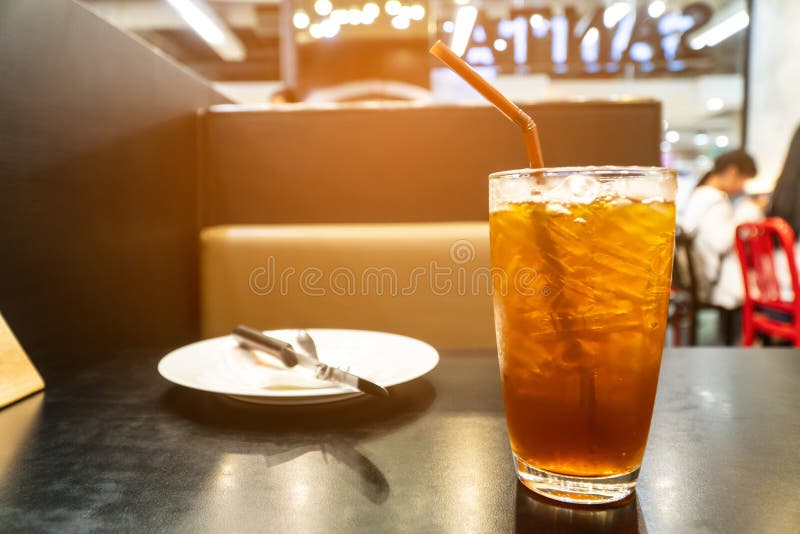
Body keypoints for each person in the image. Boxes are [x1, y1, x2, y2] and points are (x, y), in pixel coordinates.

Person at [681, 150, 759, 311]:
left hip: (694, 279)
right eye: (743, 180)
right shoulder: (714, 200)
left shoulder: (700, 195)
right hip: (710, 281)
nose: (742, 188)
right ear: (732, 172)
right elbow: (721, 243)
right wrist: (748, 210)